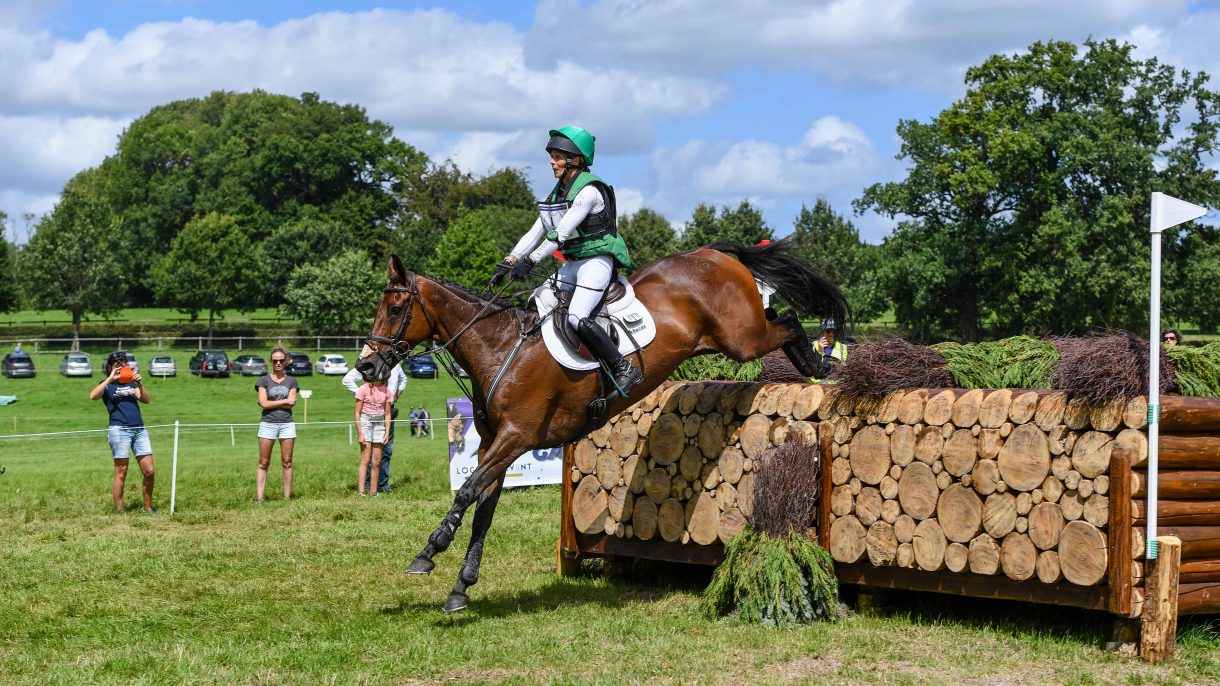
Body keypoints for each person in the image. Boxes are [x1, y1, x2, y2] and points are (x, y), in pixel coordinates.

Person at [492, 125, 642, 398]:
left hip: (596, 262)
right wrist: (510, 260)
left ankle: (622, 367)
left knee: (576, 317)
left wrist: (533, 259)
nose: (552, 161)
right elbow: (535, 230)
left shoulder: (589, 191)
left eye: (558, 156)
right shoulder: (556, 195)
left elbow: (560, 233)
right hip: (573, 263)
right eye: (553, 155)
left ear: (575, 160)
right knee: (537, 301)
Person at [89, 351, 154, 513]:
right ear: (110, 367)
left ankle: (147, 507)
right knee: (121, 471)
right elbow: (93, 396)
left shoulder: (131, 383)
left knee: (149, 471)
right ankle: (119, 510)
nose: (120, 366)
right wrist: (110, 378)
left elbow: (146, 400)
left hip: (139, 429)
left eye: (123, 363)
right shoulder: (107, 384)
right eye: (116, 364)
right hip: (119, 430)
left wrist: (139, 383)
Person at [343, 353, 406, 493]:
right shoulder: (367, 376)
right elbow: (347, 382)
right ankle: (363, 489)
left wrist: (394, 398)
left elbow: (403, 381)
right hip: (366, 419)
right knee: (366, 457)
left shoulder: (391, 378)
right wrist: (363, 396)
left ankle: (377, 488)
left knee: (381, 456)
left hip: (382, 419)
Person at [254, 346, 299, 504]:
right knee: (263, 462)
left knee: (287, 461)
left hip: (287, 424)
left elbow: (292, 403)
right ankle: (259, 498)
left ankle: (287, 498)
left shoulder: (292, 381)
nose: (278, 363)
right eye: (275, 360)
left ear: (285, 361)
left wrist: (272, 403)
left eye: (281, 360)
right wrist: (285, 401)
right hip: (268, 424)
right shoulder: (263, 381)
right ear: (271, 362)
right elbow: (264, 404)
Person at [354, 377, 392, 496]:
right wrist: (360, 433)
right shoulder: (363, 389)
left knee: (377, 460)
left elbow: (387, 414)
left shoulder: (387, 390)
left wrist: (386, 433)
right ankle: (361, 491)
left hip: (379, 423)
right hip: (366, 421)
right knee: (366, 458)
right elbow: (357, 413)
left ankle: (373, 492)